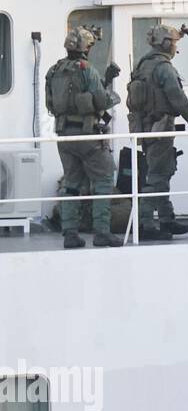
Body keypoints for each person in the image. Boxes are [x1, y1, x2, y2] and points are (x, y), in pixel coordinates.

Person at [44, 28, 123, 249]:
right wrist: (109, 90)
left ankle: (69, 233)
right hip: (88, 135)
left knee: (70, 184)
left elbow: (50, 104)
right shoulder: (87, 70)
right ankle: (102, 233)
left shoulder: (53, 70)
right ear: (86, 47)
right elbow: (101, 101)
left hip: (64, 136)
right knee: (103, 181)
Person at [126, 24, 188, 241]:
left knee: (161, 171)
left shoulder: (144, 65)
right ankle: (146, 224)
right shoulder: (164, 68)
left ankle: (167, 219)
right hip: (161, 126)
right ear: (167, 43)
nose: (176, 48)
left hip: (146, 127)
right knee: (159, 175)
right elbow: (178, 99)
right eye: (175, 43)